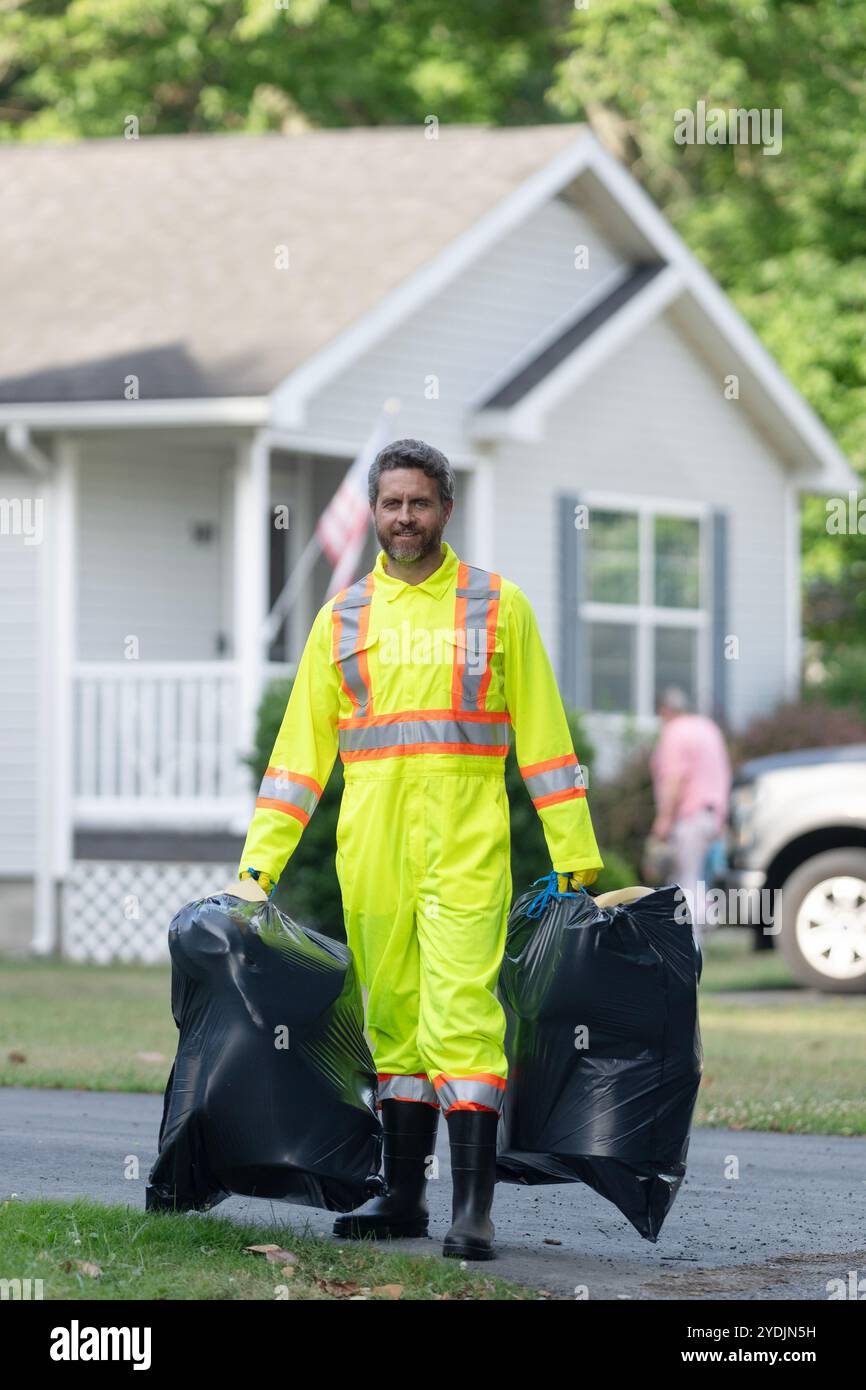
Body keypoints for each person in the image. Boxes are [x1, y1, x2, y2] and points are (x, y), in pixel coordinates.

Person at [224, 438, 604, 1260]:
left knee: (462, 1019)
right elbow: (298, 760)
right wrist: (258, 871)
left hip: (468, 851)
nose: (404, 518)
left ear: (446, 509)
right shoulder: (342, 619)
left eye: (419, 503)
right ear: (374, 510)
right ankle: (402, 1197)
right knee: (391, 1021)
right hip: (373, 855)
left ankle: (474, 1209)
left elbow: (545, 742)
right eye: (391, 504)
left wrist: (573, 854)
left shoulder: (498, 609)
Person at [649, 686, 731, 946]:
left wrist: (663, 819)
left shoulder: (674, 732)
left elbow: (674, 779)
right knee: (698, 879)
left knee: (685, 882)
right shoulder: (709, 729)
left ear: (665, 710)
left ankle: (690, 947)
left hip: (690, 818)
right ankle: (703, 924)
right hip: (713, 817)